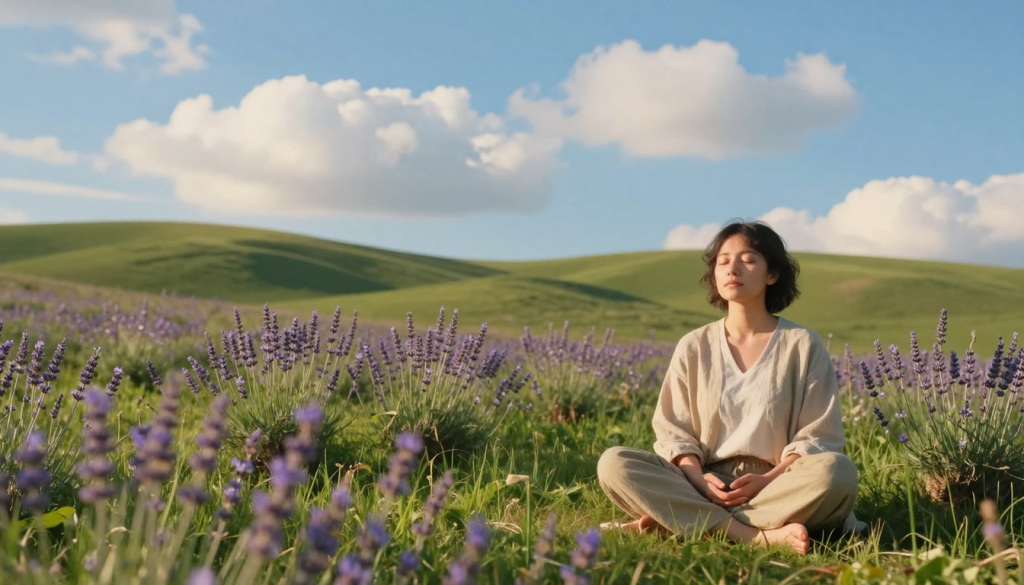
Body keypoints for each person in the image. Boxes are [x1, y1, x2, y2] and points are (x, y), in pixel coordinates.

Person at [596, 220, 862, 555]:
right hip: (700, 481)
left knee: (837, 473)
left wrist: (767, 481)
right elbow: (674, 432)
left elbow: (818, 437)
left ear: (772, 274)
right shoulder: (694, 345)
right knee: (614, 462)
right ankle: (754, 535)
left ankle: (679, 520)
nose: (732, 268)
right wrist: (698, 482)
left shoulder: (802, 344)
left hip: (779, 483)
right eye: (723, 261)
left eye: (748, 260)